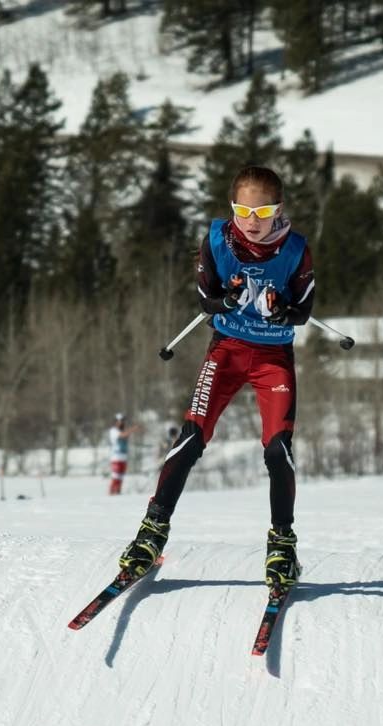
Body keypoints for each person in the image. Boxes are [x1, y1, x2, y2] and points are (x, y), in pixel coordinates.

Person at [119, 165, 315, 587]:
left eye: (263, 213)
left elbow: (304, 310)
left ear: (279, 210)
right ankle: (152, 530)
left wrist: (284, 311)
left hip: (272, 358)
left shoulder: (296, 249)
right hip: (227, 352)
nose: (252, 221)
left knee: (278, 450)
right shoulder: (216, 241)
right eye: (243, 211)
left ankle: (282, 543)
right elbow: (206, 300)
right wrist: (225, 299)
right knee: (191, 437)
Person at [108, 413, 141, 495]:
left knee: (121, 477)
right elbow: (122, 435)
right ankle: (112, 493)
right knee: (116, 476)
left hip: (123, 457)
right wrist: (132, 429)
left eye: (123, 421)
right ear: (116, 422)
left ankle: (117, 493)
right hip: (116, 457)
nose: (121, 422)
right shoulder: (113, 431)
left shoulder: (123, 430)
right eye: (120, 421)